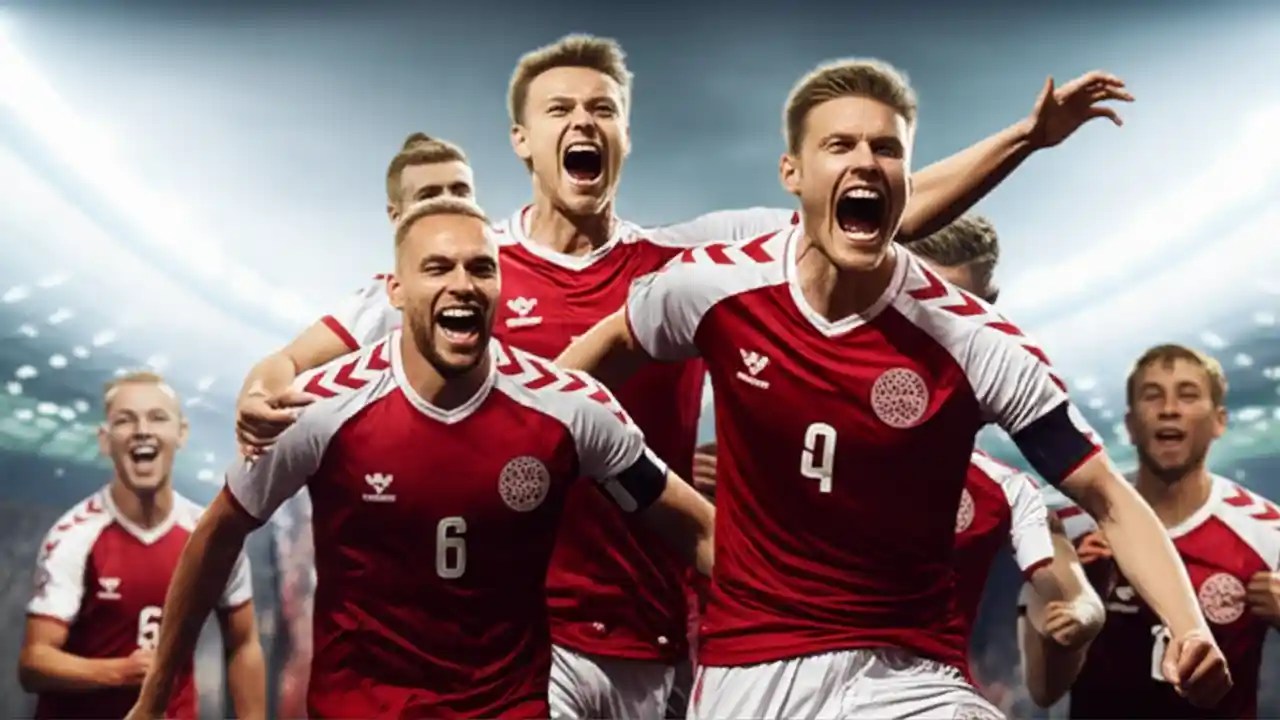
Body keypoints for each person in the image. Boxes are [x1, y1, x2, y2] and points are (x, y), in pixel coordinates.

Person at [235, 33, 1133, 717]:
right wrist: (260, 383)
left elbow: (864, 207)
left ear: (626, 134)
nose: (583, 124)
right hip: (524, 639)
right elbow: (304, 353)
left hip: (657, 635)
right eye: (560, 111)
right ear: (521, 139)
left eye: (603, 109)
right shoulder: (469, 267)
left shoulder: (686, 260)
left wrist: (1027, 138)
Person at [556, 57, 1231, 718]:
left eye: (886, 148)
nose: (865, 162)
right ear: (792, 173)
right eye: (839, 144)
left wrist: (1189, 626)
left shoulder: (971, 340)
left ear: (906, 182)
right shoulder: (713, 286)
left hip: (908, 672)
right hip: (751, 673)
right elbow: (586, 367)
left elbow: (1107, 496)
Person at [127, 198, 716, 719]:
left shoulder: (569, 409)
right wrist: (152, 702)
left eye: (481, 268)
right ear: (396, 291)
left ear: (500, 287)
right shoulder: (323, 409)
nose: (462, 283)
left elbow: (694, 529)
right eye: (437, 267)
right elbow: (216, 535)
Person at [906, 215, 1105, 704]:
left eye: (955, 306)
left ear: (986, 315)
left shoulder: (1005, 491)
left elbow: (1047, 682)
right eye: (916, 299)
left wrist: (1078, 619)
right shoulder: (799, 438)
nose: (935, 326)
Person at [19, 372, 263, 720]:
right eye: (125, 420)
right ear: (105, 440)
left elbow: (243, 642)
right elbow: (34, 663)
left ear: (181, 433)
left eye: (157, 418)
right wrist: (119, 672)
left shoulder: (211, 535)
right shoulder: (75, 536)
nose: (142, 430)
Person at [1059, 344, 1280, 719]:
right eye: (1152, 396)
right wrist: (1073, 591)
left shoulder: (1267, 530)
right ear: (1130, 425)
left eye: (1188, 395)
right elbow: (1043, 683)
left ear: (1219, 421)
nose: (1169, 409)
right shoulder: (1072, 524)